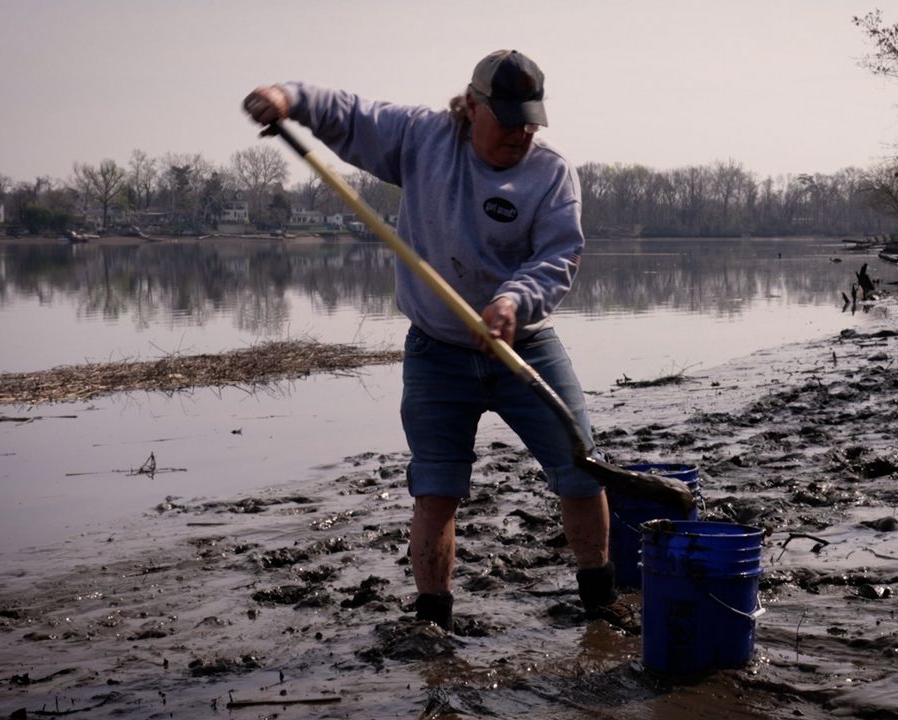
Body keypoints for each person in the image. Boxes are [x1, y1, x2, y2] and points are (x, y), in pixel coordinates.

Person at [242, 50, 636, 634]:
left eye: (530, 121)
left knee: (581, 469)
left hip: (525, 347)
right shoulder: (423, 139)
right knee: (436, 488)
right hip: (436, 351)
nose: (522, 133)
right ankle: (433, 619)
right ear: (472, 106)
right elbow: (349, 114)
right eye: (509, 120)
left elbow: (557, 257)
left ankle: (599, 599)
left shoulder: (551, 172)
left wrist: (512, 302)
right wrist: (288, 99)